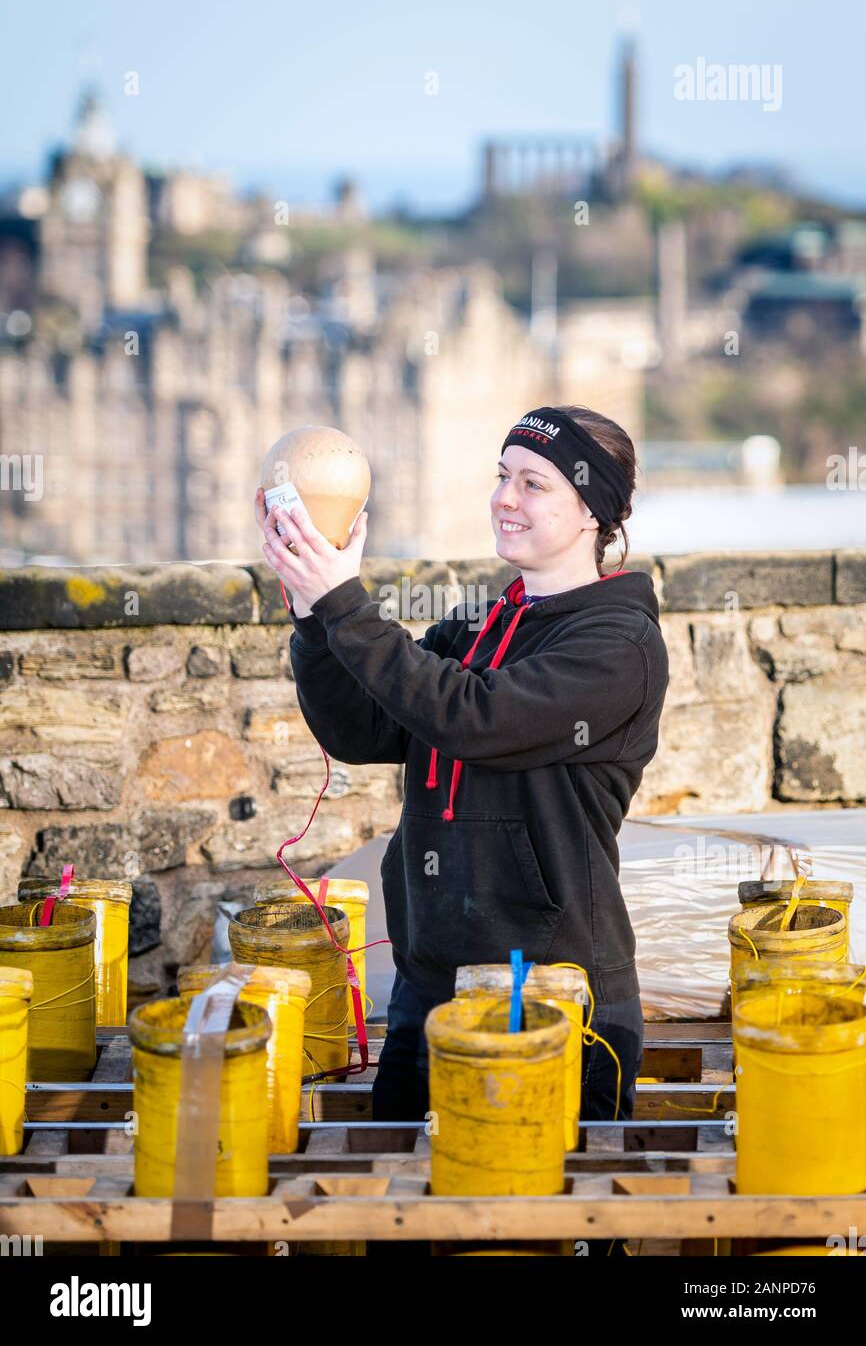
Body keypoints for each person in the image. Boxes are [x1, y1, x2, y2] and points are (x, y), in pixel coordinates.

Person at [255, 403, 669, 1138]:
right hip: (429, 989)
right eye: (502, 476)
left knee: (529, 1242)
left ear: (591, 513)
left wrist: (344, 603)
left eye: (534, 484)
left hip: (548, 998)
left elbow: (473, 717)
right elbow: (361, 726)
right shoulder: (476, 631)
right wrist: (312, 615)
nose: (505, 498)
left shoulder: (618, 643)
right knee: (403, 1220)